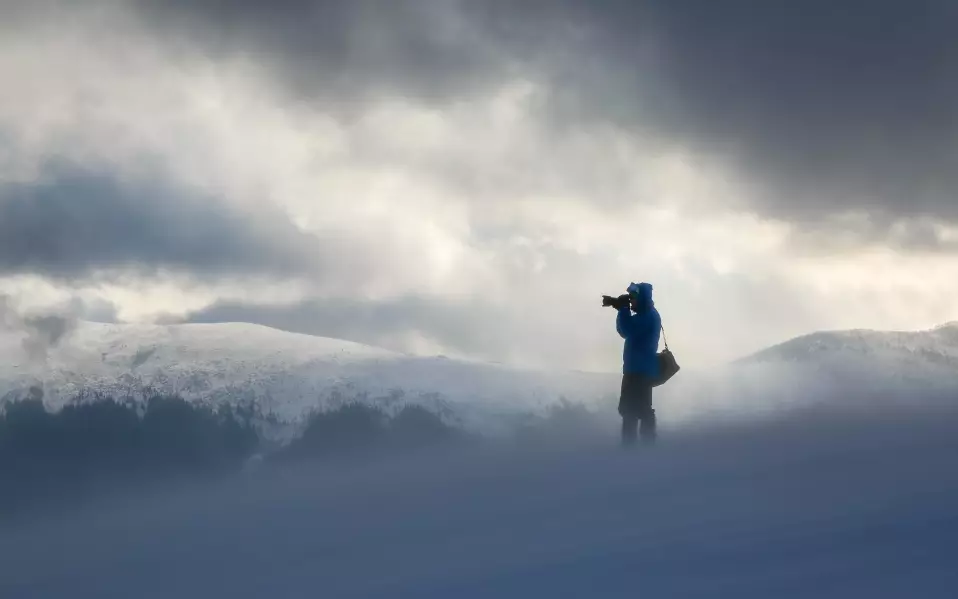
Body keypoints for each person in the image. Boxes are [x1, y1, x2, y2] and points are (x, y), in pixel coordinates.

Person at [614, 282, 661, 445]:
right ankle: (639, 448)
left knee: (635, 411)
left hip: (639, 372)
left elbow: (627, 330)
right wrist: (622, 310)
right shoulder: (645, 315)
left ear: (641, 298)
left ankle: (638, 448)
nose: (631, 301)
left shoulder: (648, 316)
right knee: (633, 410)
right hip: (637, 370)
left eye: (633, 298)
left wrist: (622, 309)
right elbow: (623, 331)